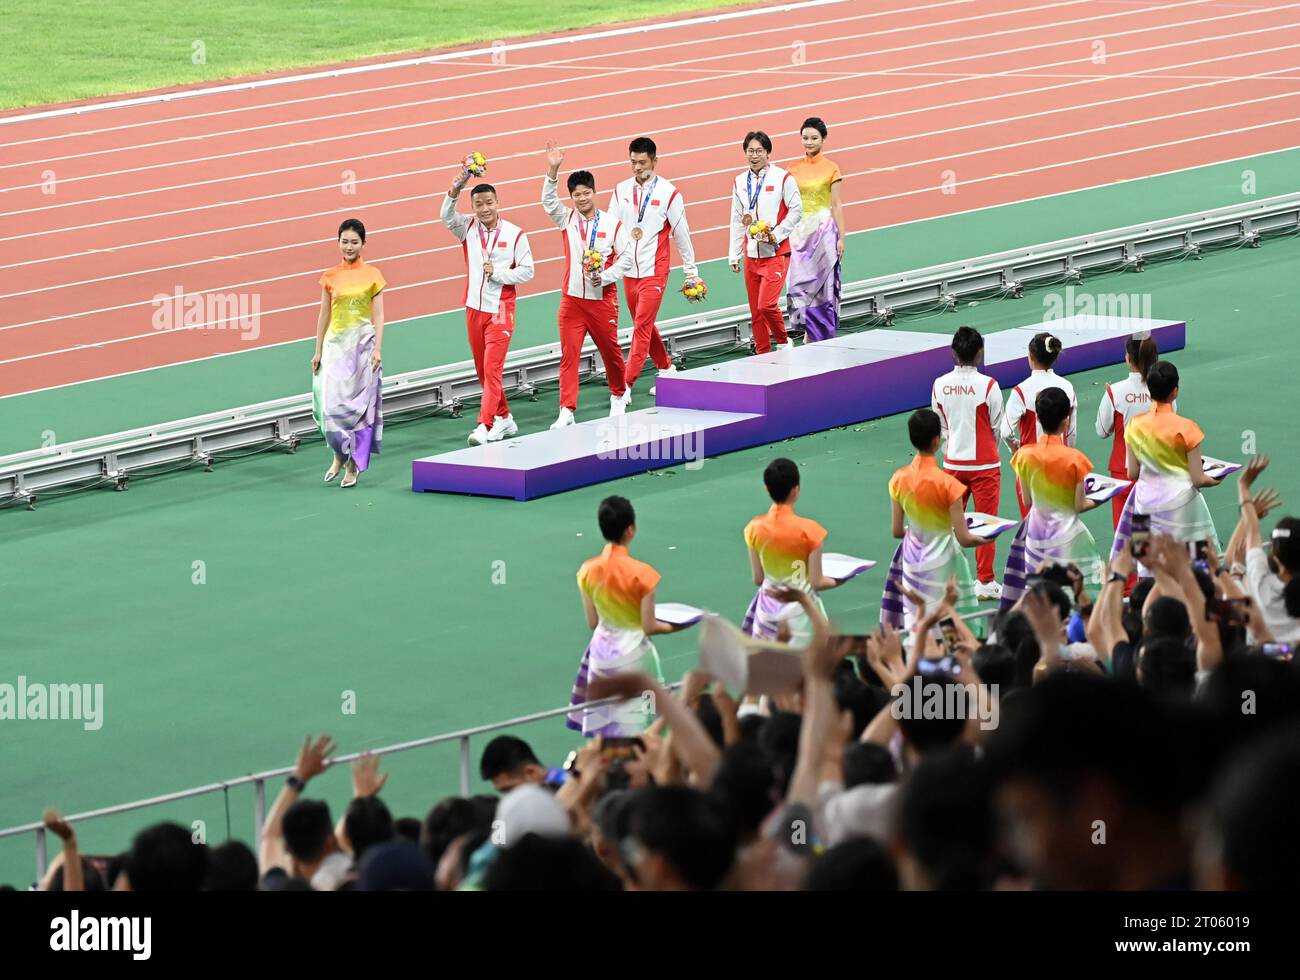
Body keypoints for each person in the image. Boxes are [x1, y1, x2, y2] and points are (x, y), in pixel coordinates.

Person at [567, 496, 682, 737]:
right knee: (644, 724)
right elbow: (648, 626)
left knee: (605, 726)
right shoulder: (644, 574)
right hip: (635, 655)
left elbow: (593, 622)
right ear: (631, 529)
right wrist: (677, 626)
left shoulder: (586, 571)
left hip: (600, 655)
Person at [440, 162, 535, 445]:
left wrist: (500, 274)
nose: (484, 209)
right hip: (473, 306)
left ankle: (484, 425)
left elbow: (528, 271)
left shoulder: (515, 234)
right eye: (478, 204)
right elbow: (445, 214)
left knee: (492, 369)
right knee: (483, 370)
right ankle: (505, 418)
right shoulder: (467, 228)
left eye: (489, 203)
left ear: (498, 203)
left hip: (502, 308)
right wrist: (459, 183)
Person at [541, 142, 634, 429]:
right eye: (576, 195)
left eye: (586, 193)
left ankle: (619, 394)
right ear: (571, 197)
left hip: (601, 299)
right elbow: (547, 201)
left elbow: (628, 259)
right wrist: (553, 169)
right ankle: (567, 410)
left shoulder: (612, 224)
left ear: (594, 193)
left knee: (611, 352)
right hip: (571, 301)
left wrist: (604, 277)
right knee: (569, 356)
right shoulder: (566, 219)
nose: (582, 198)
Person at [609, 137, 700, 400]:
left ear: (654, 161)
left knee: (640, 327)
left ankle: (625, 386)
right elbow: (610, 229)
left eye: (642, 162)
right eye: (633, 162)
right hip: (628, 271)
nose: (637, 167)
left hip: (654, 270)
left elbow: (682, 234)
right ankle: (667, 369)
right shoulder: (620, 190)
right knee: (645, 325)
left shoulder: (669, 193)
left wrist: (691, 271)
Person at [1000, 387, 1103, 609]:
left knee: (1039, 599)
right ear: (1066, 421)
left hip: (1035, 537)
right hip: (1069, 536)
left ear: (1037, 418)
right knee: (1079, 597)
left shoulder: (1023, 456)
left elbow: (1027, 501)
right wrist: (1100, 499)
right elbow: (1078, 505)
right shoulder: (1075, 459)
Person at [881, 409, 984, 629]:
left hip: (912, 562)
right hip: (944, 563)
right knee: (950, 623)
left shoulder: (898, 479)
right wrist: (984, 538)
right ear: (937, 441)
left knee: (917, 621)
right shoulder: (948, 484)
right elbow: (965, 538)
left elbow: (897, 531)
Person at [1110, 360, 1221, 561]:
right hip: (1183, 506)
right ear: (1175, 391)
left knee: (1145, 562)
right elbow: (1198, 479)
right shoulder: (1188, 428)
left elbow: (1132, 473)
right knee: (1193, 564)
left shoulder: (1134, 425)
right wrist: (1216, 478)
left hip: (1143, 504)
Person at [931, 326, 1005, 600]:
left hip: (953, 462)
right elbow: (996, 425)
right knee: (986, 524)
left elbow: (940, 423)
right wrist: (988, 452)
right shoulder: (989, 385)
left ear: (953, 353)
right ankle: (985, 580)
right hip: (985, 464)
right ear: (980, 353)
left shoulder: (939, 384)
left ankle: (945, 579)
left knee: (949, 524)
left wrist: (952, 449)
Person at [311, 219, 385, 488]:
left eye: (354, 242)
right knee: (330, 406)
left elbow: (378, 315)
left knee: (359, 410)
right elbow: (324, 315)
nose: (349, 246)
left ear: (363, 244)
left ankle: (354, 465)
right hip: (335, 347)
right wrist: (317, 350)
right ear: (338, 242)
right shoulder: (330, 276)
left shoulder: (374, 276)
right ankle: (338, 454)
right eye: (345, 241)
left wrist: (377, 348)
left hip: (363, 347)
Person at [742, 457, 843, 645]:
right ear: (796, 490)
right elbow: (817, 582)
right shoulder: (811, 531)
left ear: (766, 488)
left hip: (768, 611)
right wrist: (842, 578)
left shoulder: (753, 529)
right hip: (801, 615)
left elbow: (758, 579)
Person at [728, 131, 803, 354]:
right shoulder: (740, 182)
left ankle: (782, 342)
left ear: (768, 153)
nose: (754, 155)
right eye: (750, 151)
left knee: (766, 305)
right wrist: (734, 253)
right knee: (756, 313)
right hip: (752, 255)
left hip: (776, 252)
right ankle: (762, 354)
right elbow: (736, 218)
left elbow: (796, 209)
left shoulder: (783, 178)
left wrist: (777, 234)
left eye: (759, 151)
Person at [1001, 332, 1077, 516]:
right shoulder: (1067, 387)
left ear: (1031, 357)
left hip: (1031, 468)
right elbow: (1072, 432)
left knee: (1032, 527)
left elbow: (1005, 432)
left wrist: (1016, 449)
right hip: (1061, 463)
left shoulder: (1020, 391)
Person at [785, 117, 845, 344]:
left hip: (824, 232)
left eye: (813, 138)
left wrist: (842, 238)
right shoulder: (792, 169)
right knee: (800, 284)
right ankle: (807, 331)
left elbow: (837, 204)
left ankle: (823, 334)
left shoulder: (832, 168)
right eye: (805, 138)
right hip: (799, 235)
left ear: (823, 139)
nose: (809, 142)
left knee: (824, 285)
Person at [1095, 333, 1161, 526]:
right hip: (1157, 469)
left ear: (1128, 358)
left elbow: (1102, 431)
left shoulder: (1115, 391)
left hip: (1124, 471)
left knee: (1124, 536)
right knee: (1149, 533)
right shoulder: (1163, 388)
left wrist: (1107, 400)